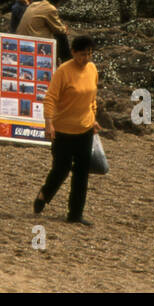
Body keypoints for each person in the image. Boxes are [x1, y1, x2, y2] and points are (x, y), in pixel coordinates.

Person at [33, 35, 101, 227]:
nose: (85, 58)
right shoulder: (64, 71)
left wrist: (93, 118)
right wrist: (49, 123)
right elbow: (50, 98)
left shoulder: (92, 69)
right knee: (60, 170)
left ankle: (75, 214)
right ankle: (44, 195)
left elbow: (92, 97)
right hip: (63, 130)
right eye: (81, 54)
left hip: (85, 129)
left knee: (81, 173)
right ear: (73, 53)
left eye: (89, 54)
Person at [15, 0, 72, 64]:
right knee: (62, 36)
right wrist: (64, 29)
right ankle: (68, 62)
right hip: (34, 41)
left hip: (19, 39)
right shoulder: (51, 8)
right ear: (57, 2)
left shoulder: (33, 4)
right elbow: (58, 29)